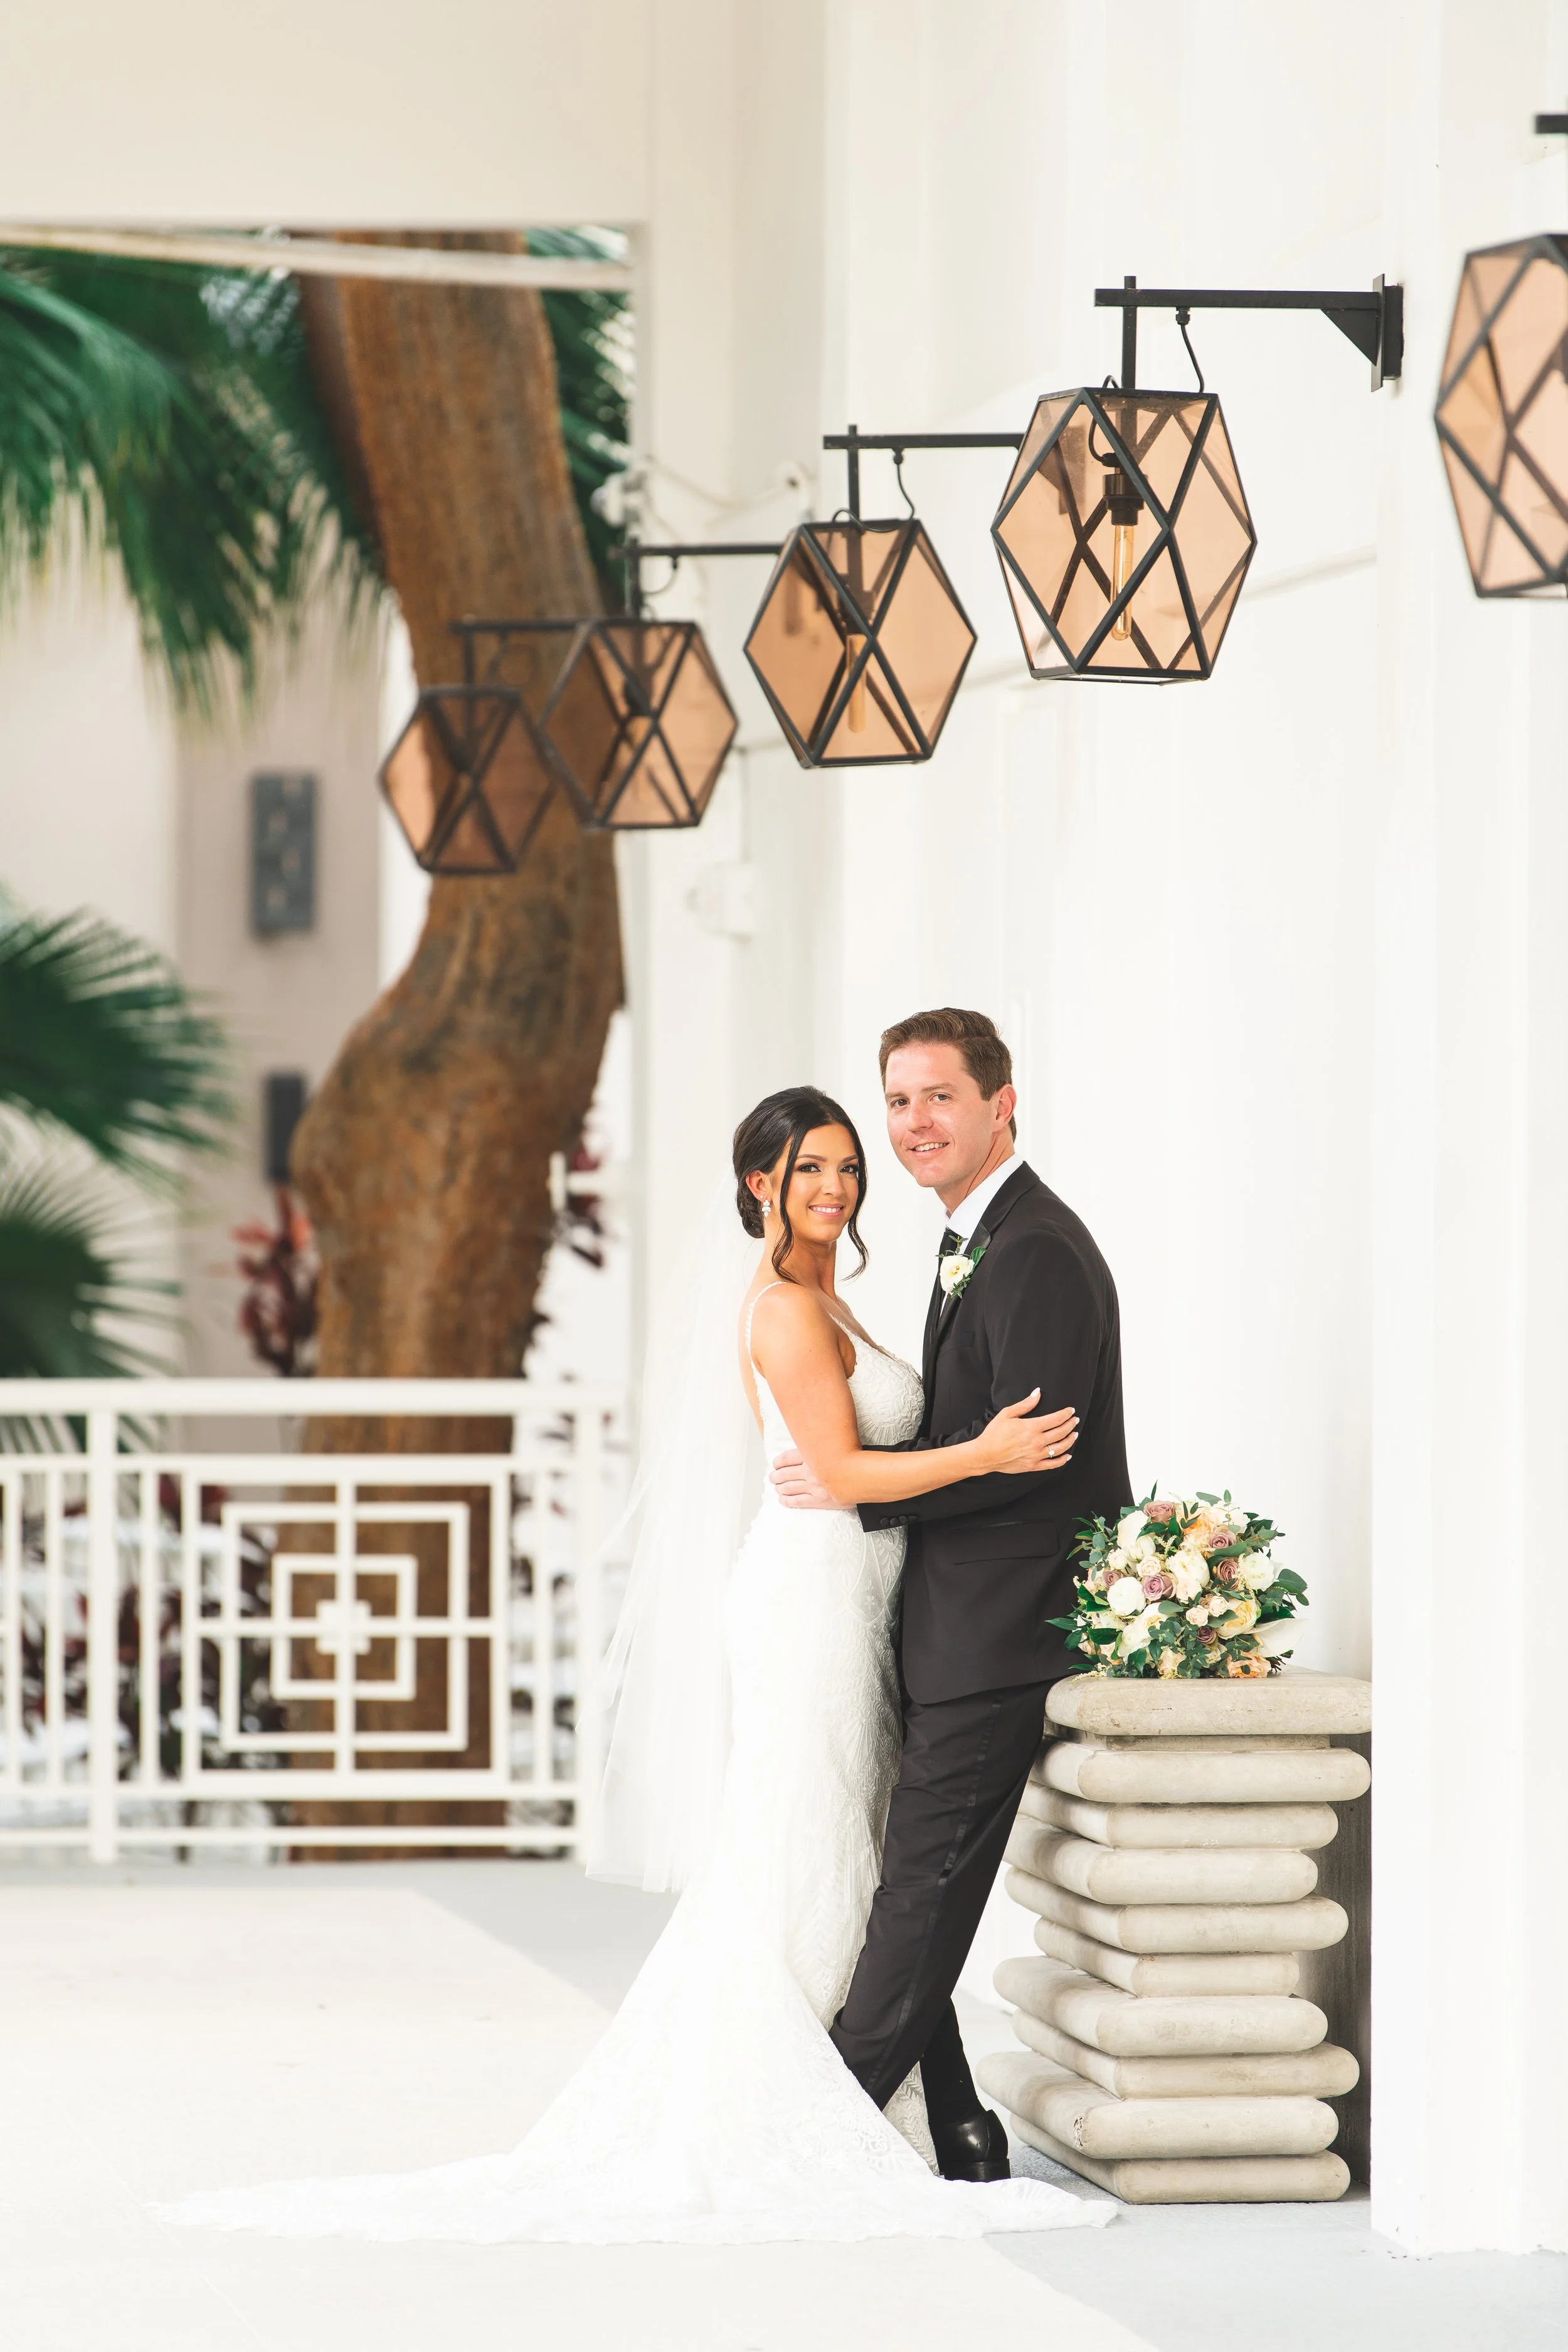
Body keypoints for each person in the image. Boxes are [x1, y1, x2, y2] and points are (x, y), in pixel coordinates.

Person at [159, 1084, 1109, 2245]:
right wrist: (986, 1449)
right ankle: (826, 2106)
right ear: (761, 1182)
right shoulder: (783, 1311)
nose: (835, 1188)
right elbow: (846, 1475)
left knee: (867, 1853)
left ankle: (941, 2115)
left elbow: (853, 1458)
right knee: (814, 1843)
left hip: (865, 1597)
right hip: (811, 1603)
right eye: (809, 1168)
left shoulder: (830, 1298)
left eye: (847, 1168)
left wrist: (894, 1458)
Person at [772, 1010, 1133, 2181]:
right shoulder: (975, 1236)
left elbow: (1027, 1470)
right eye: (899, 1100)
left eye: (939, 1097)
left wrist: (854, 1494)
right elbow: (970, 1442)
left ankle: (819, 2133)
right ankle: (964, 2130)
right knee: (909, 1887)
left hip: (1000, 1626)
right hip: (948, 1623)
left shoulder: (1031, 1249)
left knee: (918, 1897)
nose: (914, 1123)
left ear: (1002, 1102)